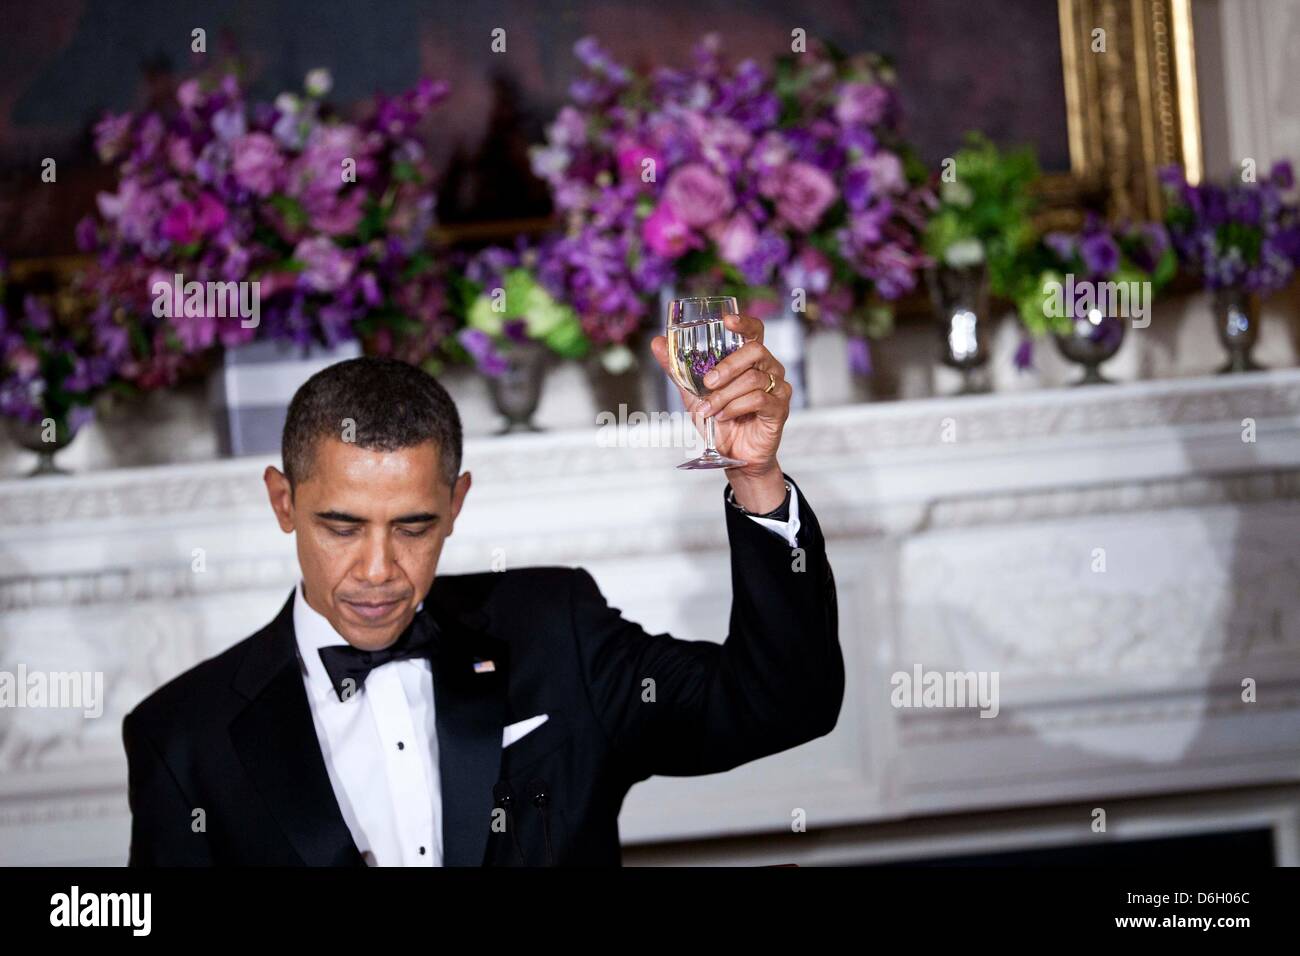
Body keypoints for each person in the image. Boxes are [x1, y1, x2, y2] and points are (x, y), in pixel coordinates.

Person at [123, 312, 843, 865]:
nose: (377, 569)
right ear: (283, 502)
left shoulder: (555, 630)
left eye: (413, 527)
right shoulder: (183, 736)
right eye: (341, 527)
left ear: (457, 504)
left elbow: (782, 704)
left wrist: (754, 478)